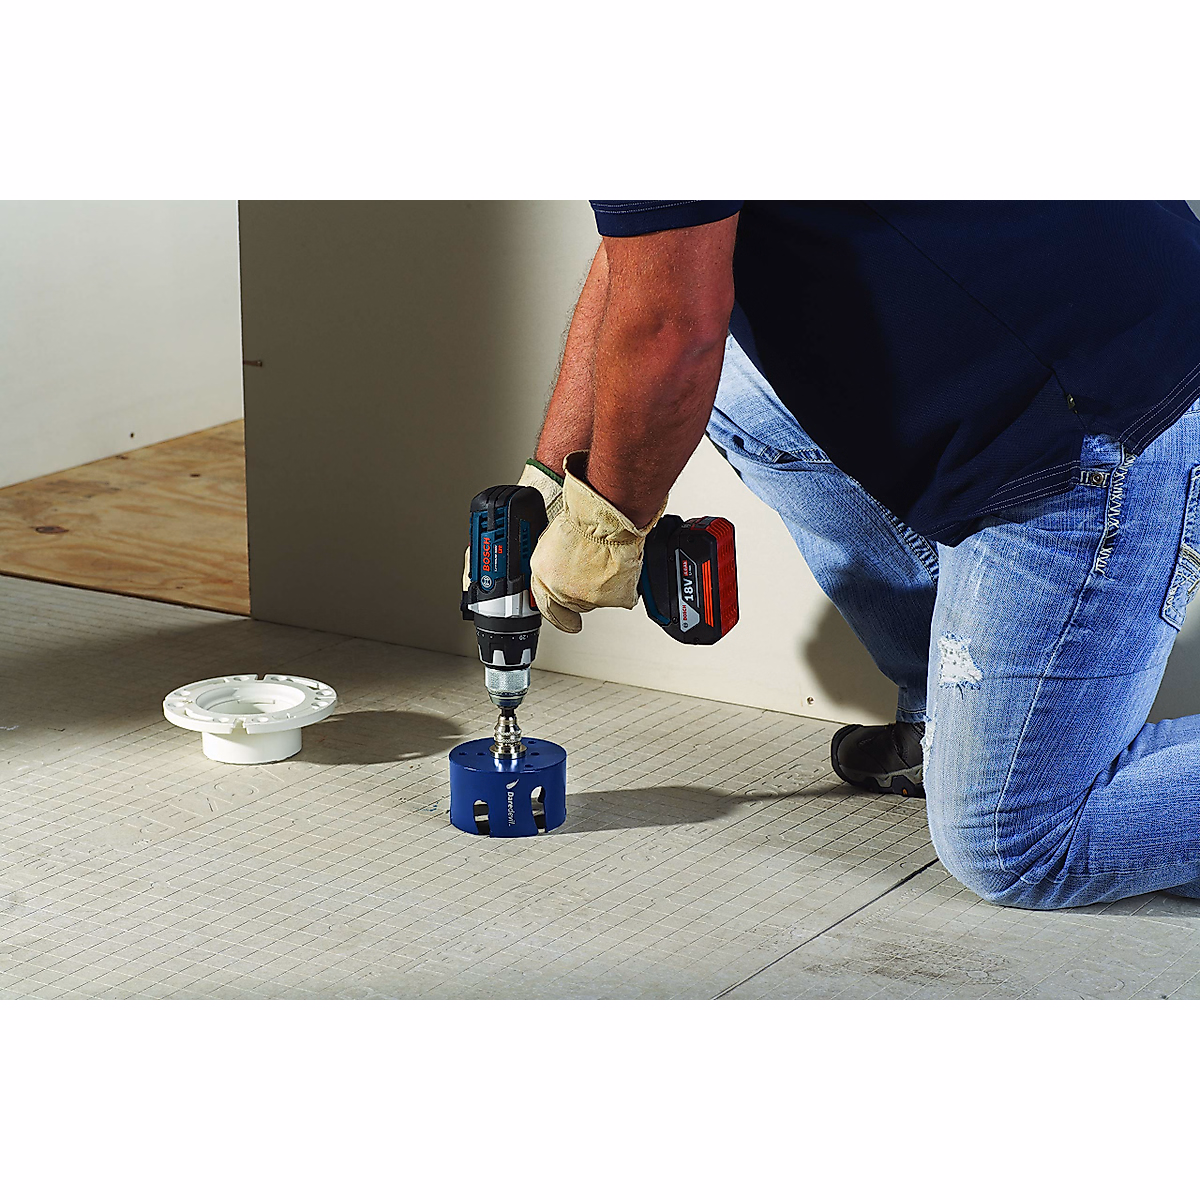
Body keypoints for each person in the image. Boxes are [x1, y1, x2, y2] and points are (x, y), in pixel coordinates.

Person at [519, 201, 1200, 911]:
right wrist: (549, 481)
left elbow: (672, 330)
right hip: (1045, 341)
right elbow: (642, 261)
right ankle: (950, 718)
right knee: (734, 390)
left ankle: (1011, 770)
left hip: (1110, 409)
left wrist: (606, 529)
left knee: (1015, 843)